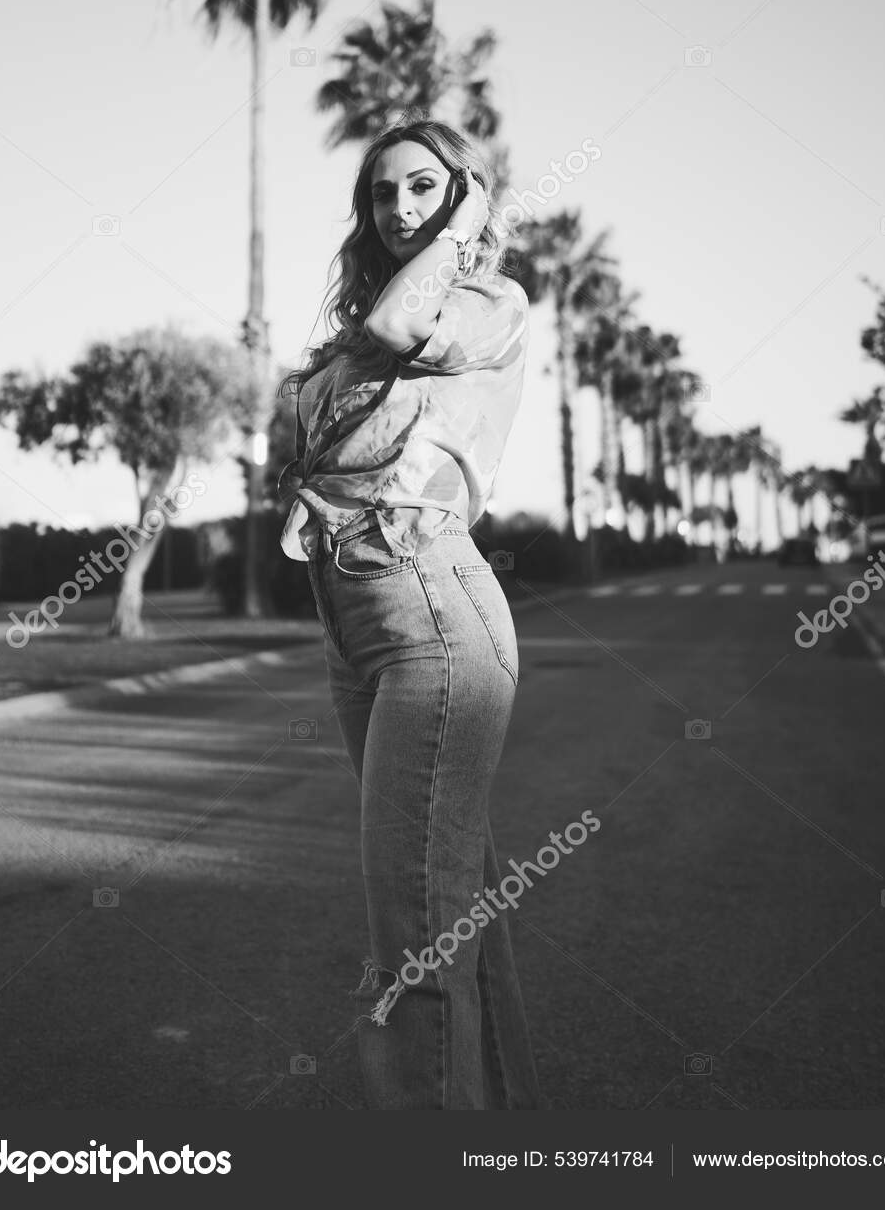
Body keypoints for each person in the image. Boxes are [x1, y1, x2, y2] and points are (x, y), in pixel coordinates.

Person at [276, 119, 541, 1110]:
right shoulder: (355, 328)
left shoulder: (488, 304)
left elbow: (401, 328)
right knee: (444, 910)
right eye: (382, 194)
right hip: (356, 622)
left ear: (463, 197)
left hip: (430, 607)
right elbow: (308, 441)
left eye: (423, 188)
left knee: (411, 937)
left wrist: (458, 229)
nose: (399, 209)